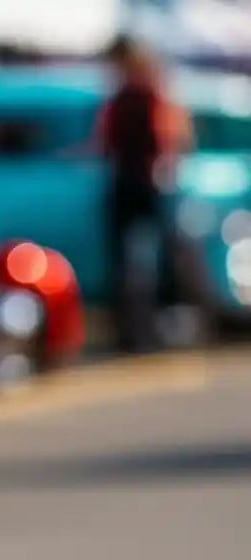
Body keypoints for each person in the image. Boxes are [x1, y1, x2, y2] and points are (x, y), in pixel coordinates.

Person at [98, 36, 192, 352]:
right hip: (132, 179)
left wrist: (163, 164)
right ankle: (134, 329)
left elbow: (170, 134)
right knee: (129, 261)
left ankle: (162, 324)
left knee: (161, 258)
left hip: (146, 181)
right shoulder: (128, 95)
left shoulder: (153, 93)